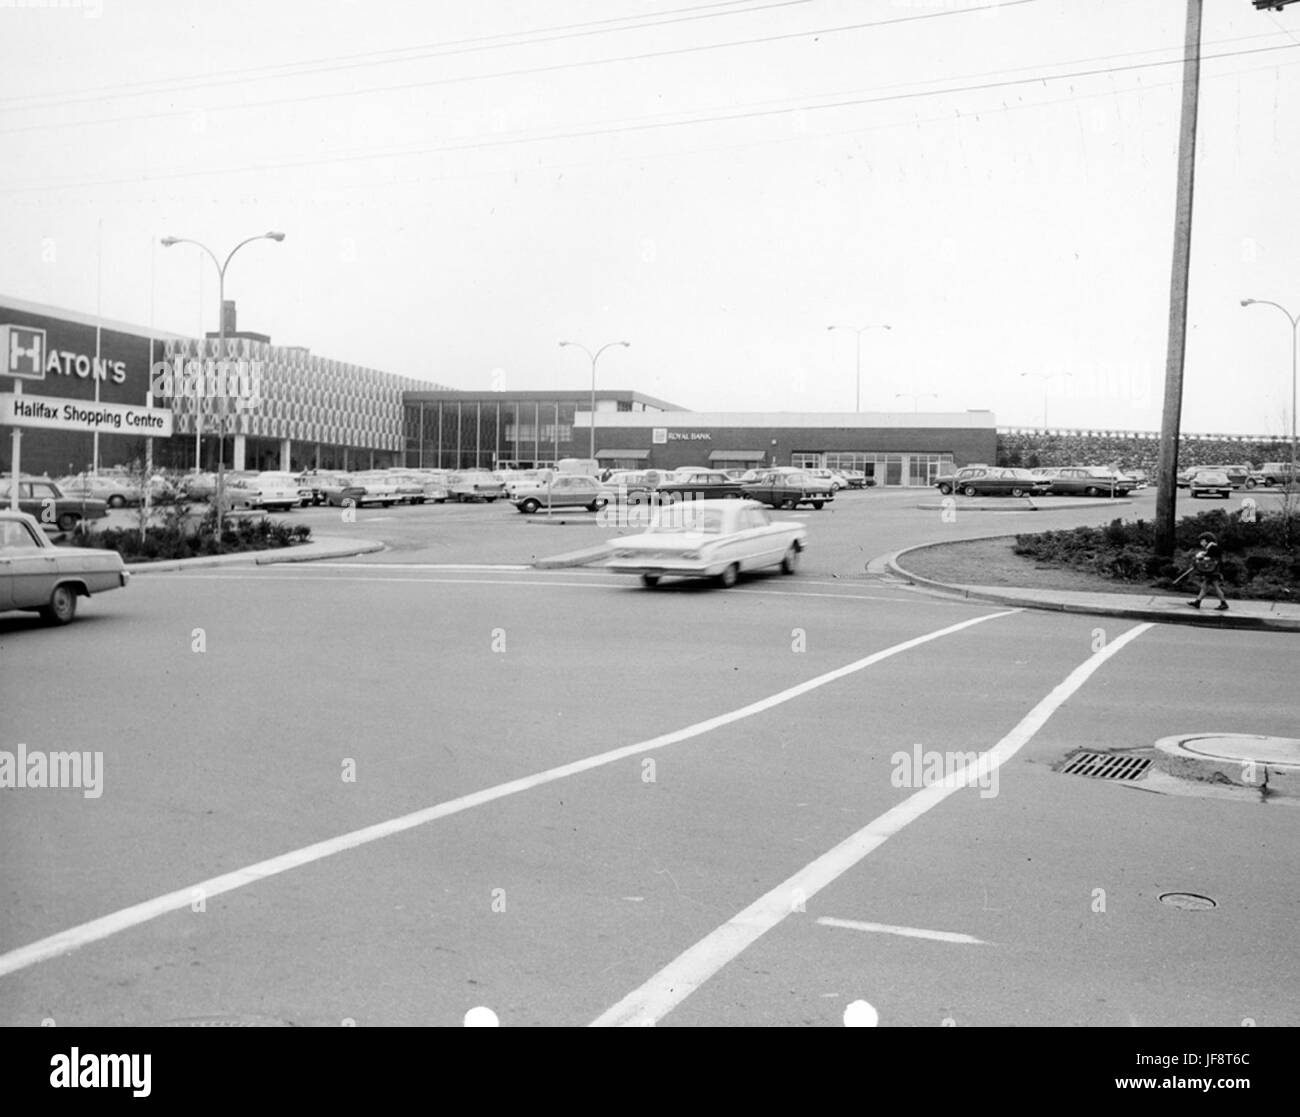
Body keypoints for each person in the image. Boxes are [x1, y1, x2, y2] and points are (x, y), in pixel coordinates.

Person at [1186, 531, 1229, 611]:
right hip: (1213, 570)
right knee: (1204, 586)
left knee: (1215, 587)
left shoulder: (1213, 548)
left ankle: (1224, 603)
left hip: (1213, 571)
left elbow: (1210, 559)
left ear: (1207, 540)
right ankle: (1197, 602)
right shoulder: (1211, 547)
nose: (1201, 543)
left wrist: (1201, 556)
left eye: (1202, 541)